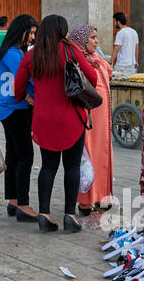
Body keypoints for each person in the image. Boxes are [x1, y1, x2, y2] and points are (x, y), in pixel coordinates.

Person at [13, 15, 98, 232]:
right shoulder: (71, 51)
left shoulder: (32, 55)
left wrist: (26, 97)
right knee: (71, 166)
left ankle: (44, 213)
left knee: (48, 166)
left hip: (44, 119)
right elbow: (92, 78)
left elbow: (18, 88)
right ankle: (70, 215)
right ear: (62, 31)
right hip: (72, 117)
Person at [0, 14, 38, 222]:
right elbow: (27, 77)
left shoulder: (8, 51)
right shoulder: (14, 54)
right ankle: (23, 203)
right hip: (16, 108)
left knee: (13, 154)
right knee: (25, 155)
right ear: (22, 32)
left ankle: (13, 200)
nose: (31, 38)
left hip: (8, 108)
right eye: (30, 33)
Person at [70, 24, 114, 214]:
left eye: (97, 38)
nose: (96, 42)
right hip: (88, 115)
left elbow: (109, 73)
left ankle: (102, 196)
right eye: (93, 38)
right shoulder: (76, 60)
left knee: (102, 154)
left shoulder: (98, 59)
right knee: (88, 155)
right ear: (82, 40)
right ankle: (86, 200)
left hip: (103, 117)